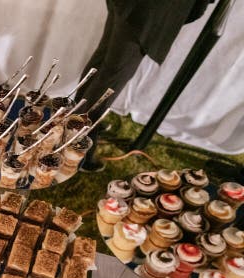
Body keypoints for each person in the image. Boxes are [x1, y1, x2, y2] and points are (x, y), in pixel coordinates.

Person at [77, 0, 214, 171]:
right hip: (148, 8)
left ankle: (76, 119)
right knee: (113, 75)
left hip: (136, 6)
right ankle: (80, 146)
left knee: (105, 60)